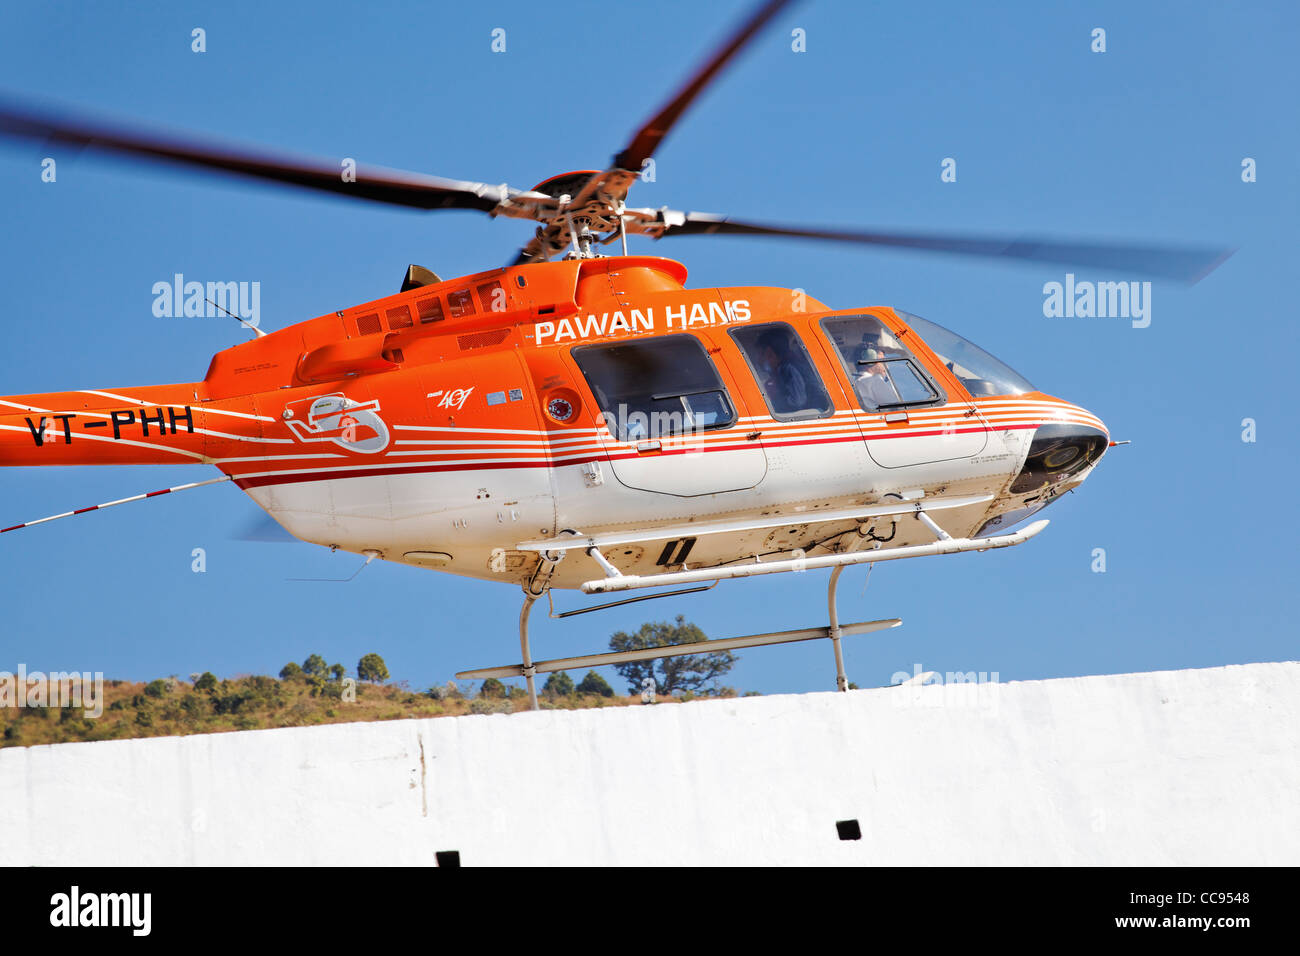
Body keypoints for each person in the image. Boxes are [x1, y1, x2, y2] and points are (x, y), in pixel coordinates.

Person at [754, 329, 809, 415]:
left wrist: (772, 402)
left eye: (760, 355)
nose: (758, 360)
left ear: (770, 354)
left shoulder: (788, 370)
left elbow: (798, 400)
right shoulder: (779, 372)